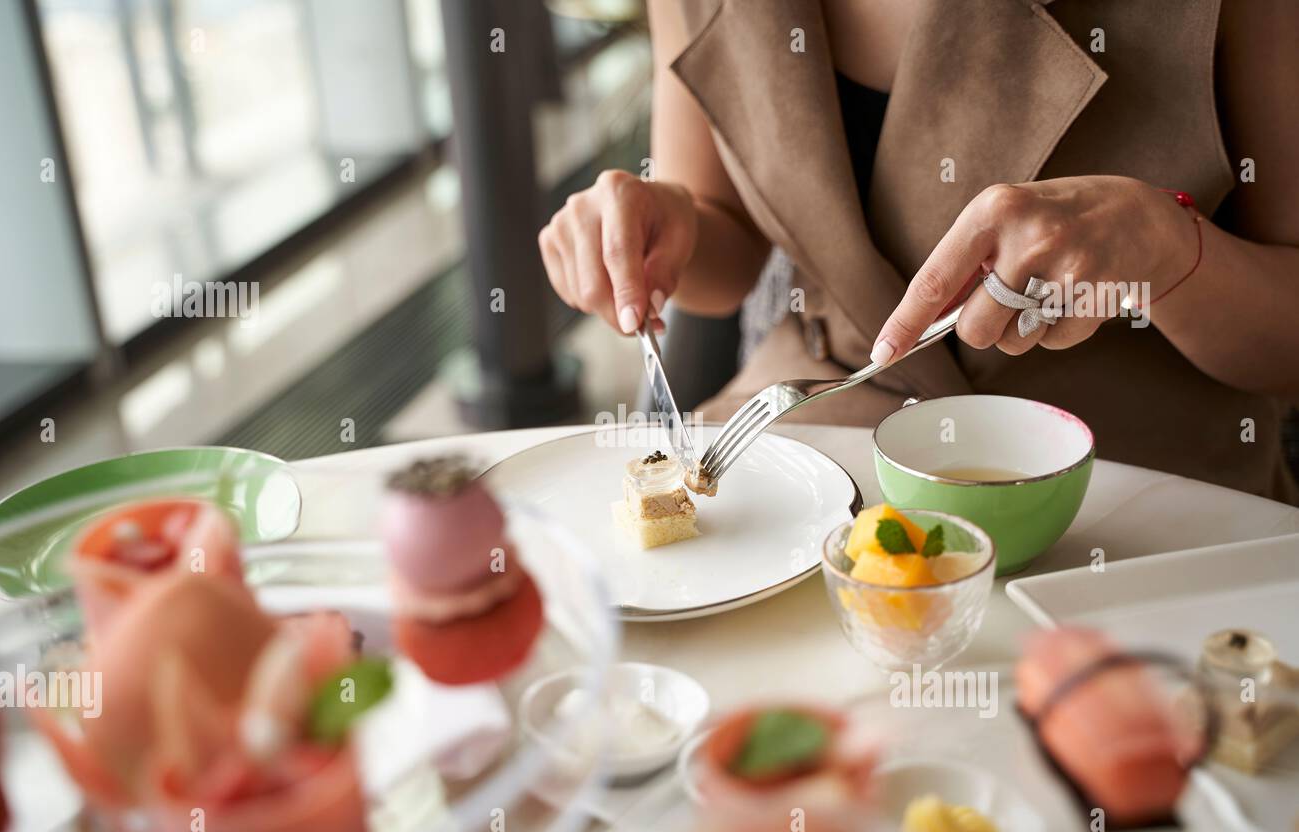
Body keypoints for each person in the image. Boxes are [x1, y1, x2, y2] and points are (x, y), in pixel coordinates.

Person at [539, 0, 1299, 502]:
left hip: (1134, 490)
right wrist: (664, 225)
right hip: (815, 450)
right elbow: (726, 254)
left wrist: (1167, 248)